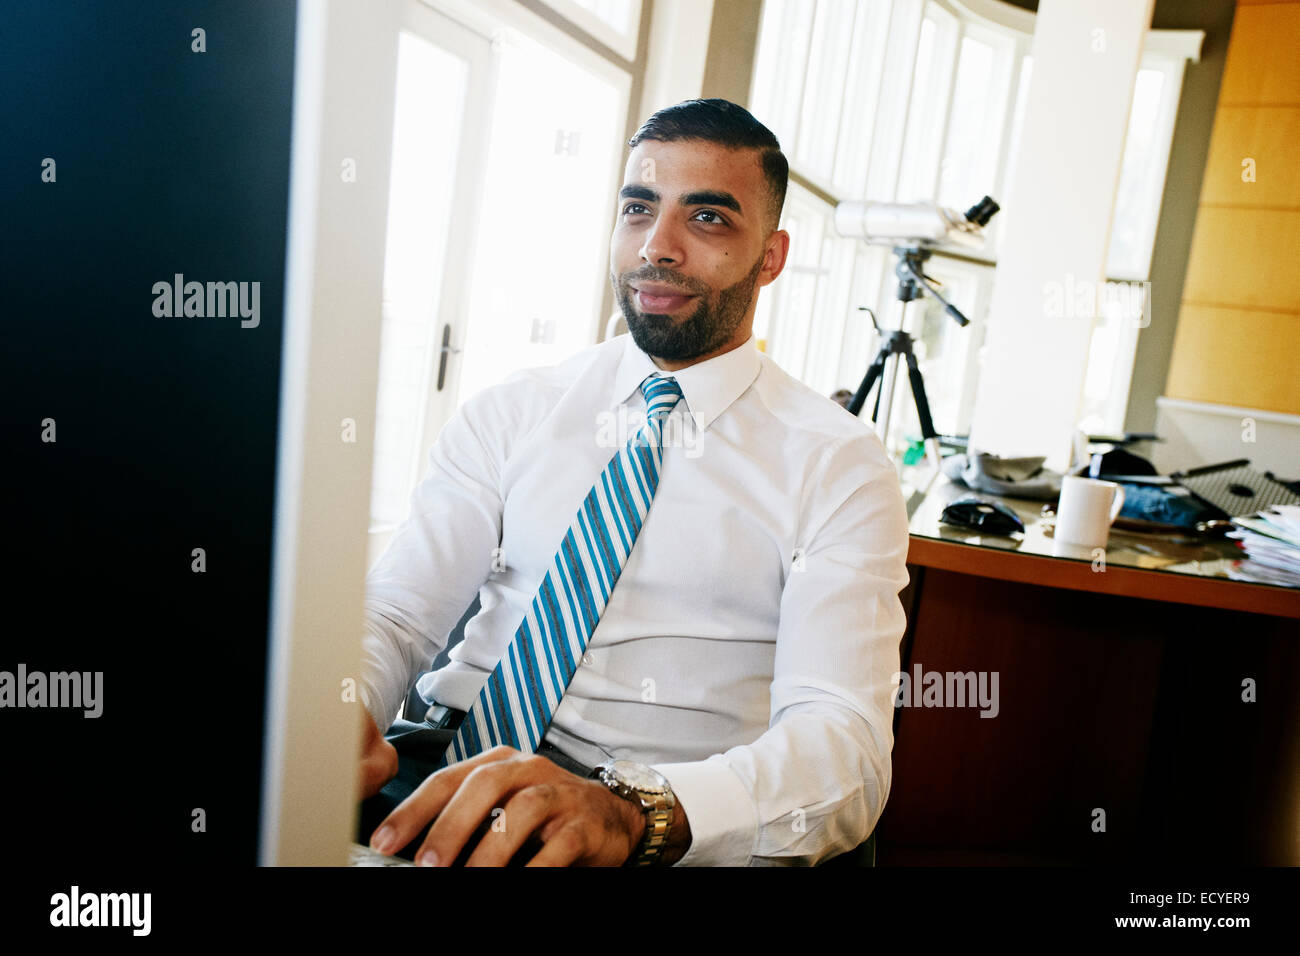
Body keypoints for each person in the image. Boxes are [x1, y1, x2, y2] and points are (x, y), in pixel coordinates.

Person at [356, 98, 911, 867]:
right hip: (439, 773)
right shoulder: (514, 410)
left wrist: (634, 813)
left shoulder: (839, 465)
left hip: (657, 818)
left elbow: (842, 747)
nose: (659, 247)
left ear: (772, 257)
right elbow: (398, 616)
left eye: (708, 219)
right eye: (638, 209)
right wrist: (340, 698)